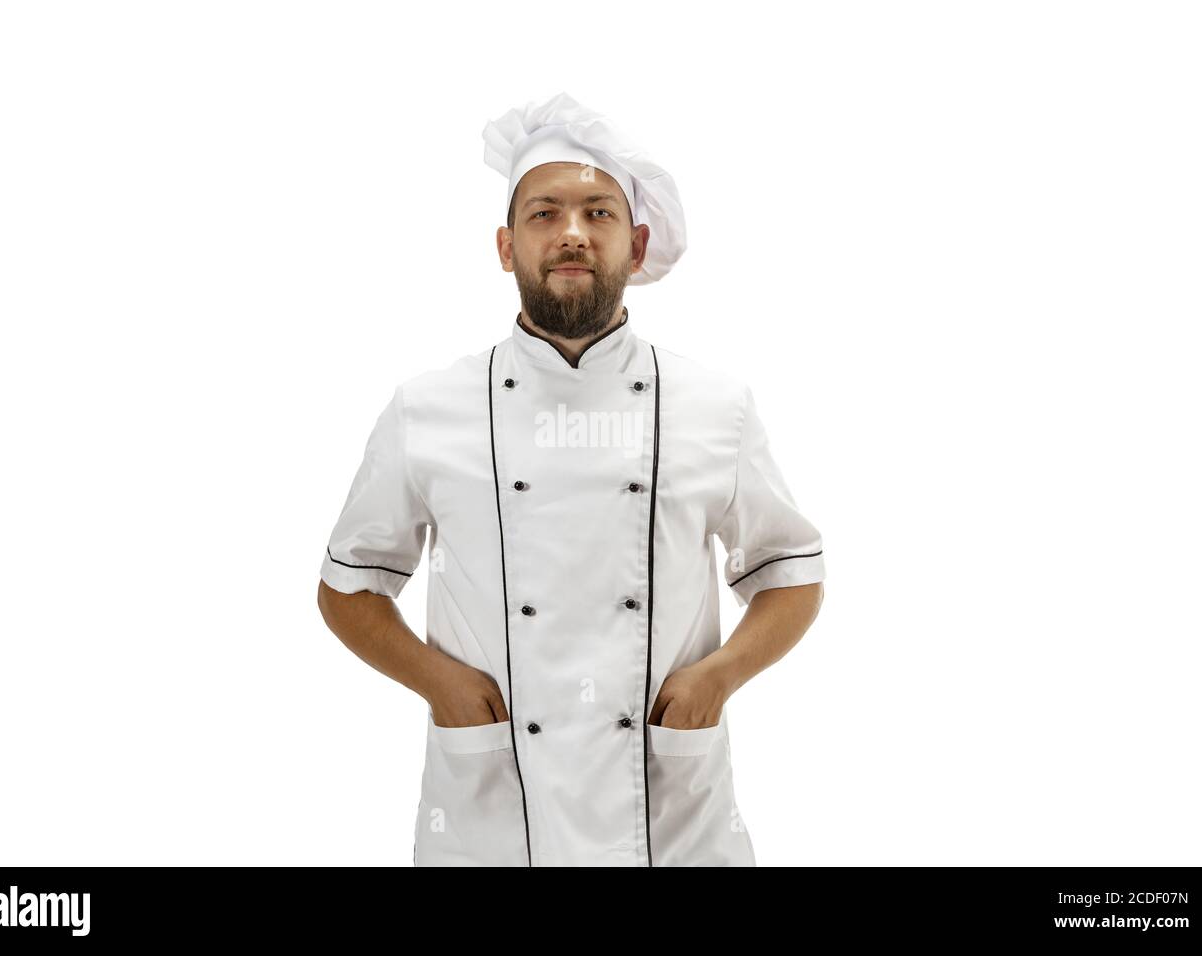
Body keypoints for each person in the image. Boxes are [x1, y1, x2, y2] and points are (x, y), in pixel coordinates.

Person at [316, 92, 826, 866]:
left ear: (636, 242)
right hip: (490, 818)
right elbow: (348, 586)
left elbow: (791, 573)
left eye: (599, 212)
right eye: (545, 213)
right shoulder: (426, 409)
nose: (573, 234)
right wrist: (440, 683)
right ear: (505, 245)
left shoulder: (715, 407)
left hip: (672, 821)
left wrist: (718, 678)